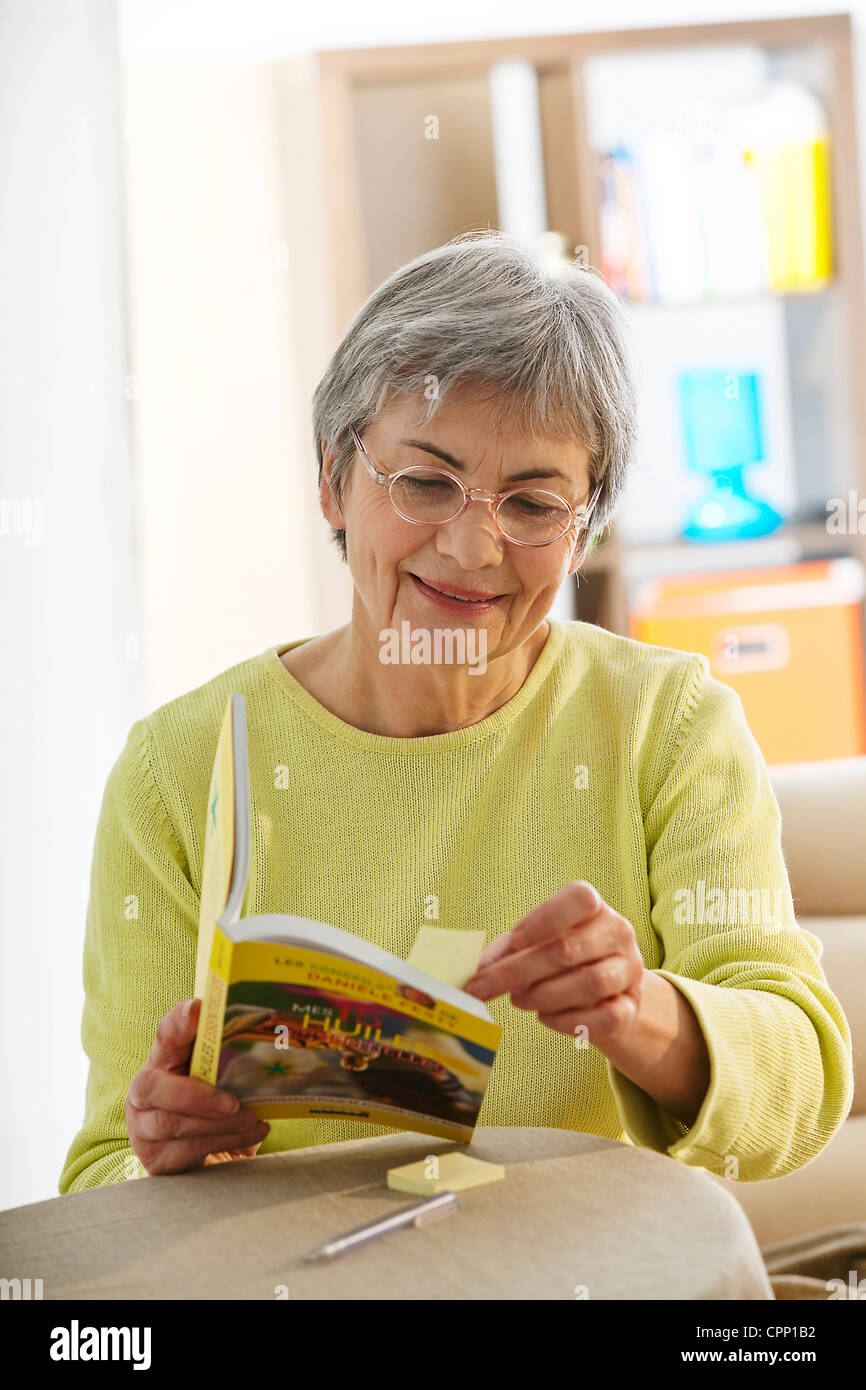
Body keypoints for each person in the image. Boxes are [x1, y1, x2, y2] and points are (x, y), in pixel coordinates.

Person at [60, 230, 853, 1191]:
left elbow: (802, 1094)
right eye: (427, 483)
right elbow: (105, 1167)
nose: (476, 547)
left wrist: (636, 1008)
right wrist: (173, 1159)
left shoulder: (665, 724)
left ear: (586, 526)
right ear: (332, 479)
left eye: (533, 504)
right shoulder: (177, 771)